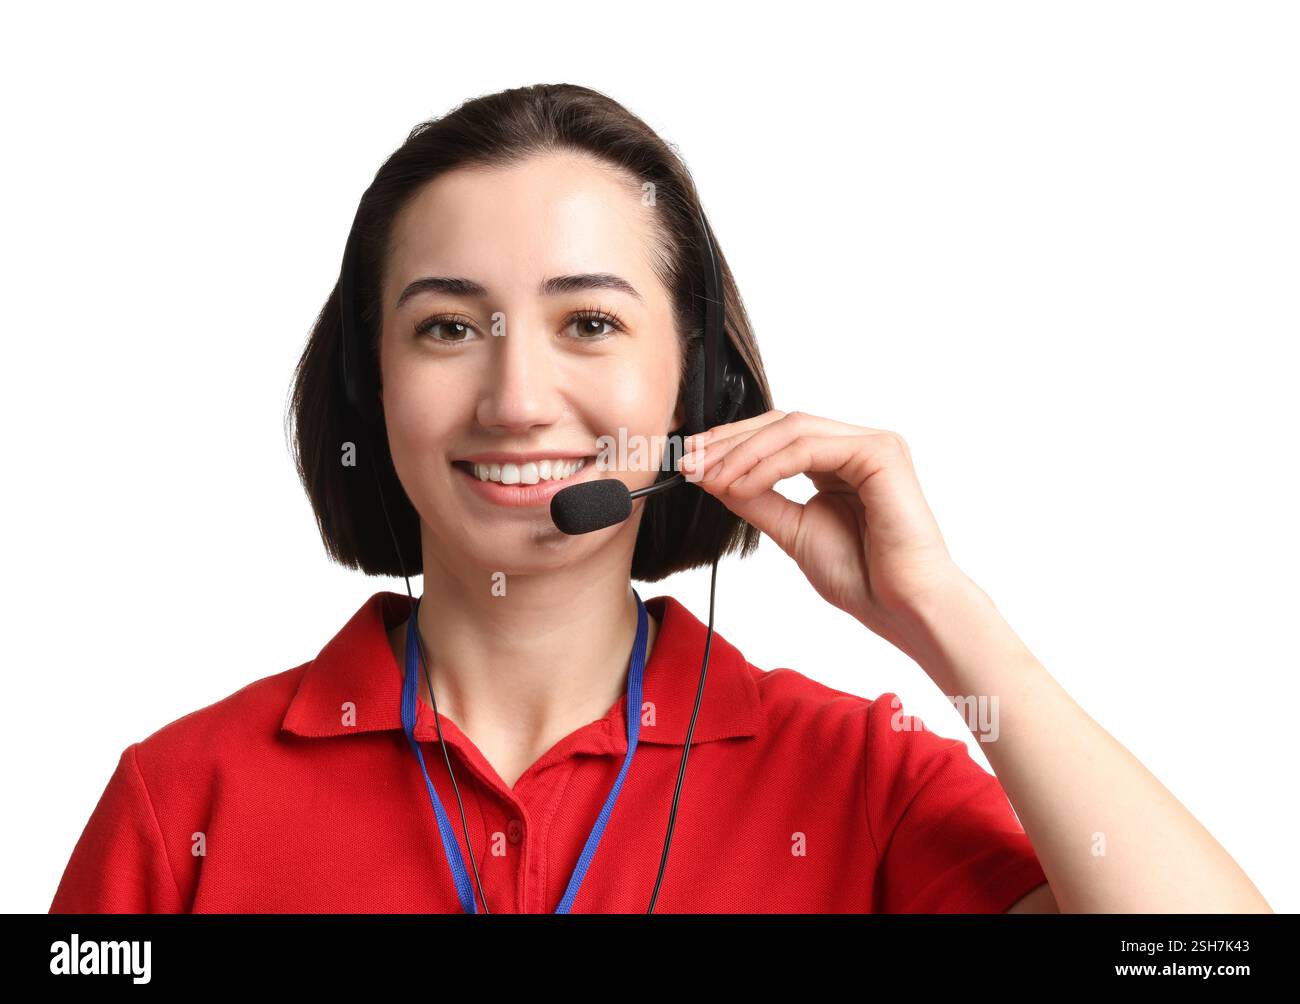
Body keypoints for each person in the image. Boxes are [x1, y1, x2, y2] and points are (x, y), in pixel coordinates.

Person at [49, 83, 1270, 914]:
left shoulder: (854, 777)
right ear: (372, 385)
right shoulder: (184, 801)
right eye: (446, 326)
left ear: (699, 378)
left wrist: (945, 616)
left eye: (588, 321)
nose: (518, 397)